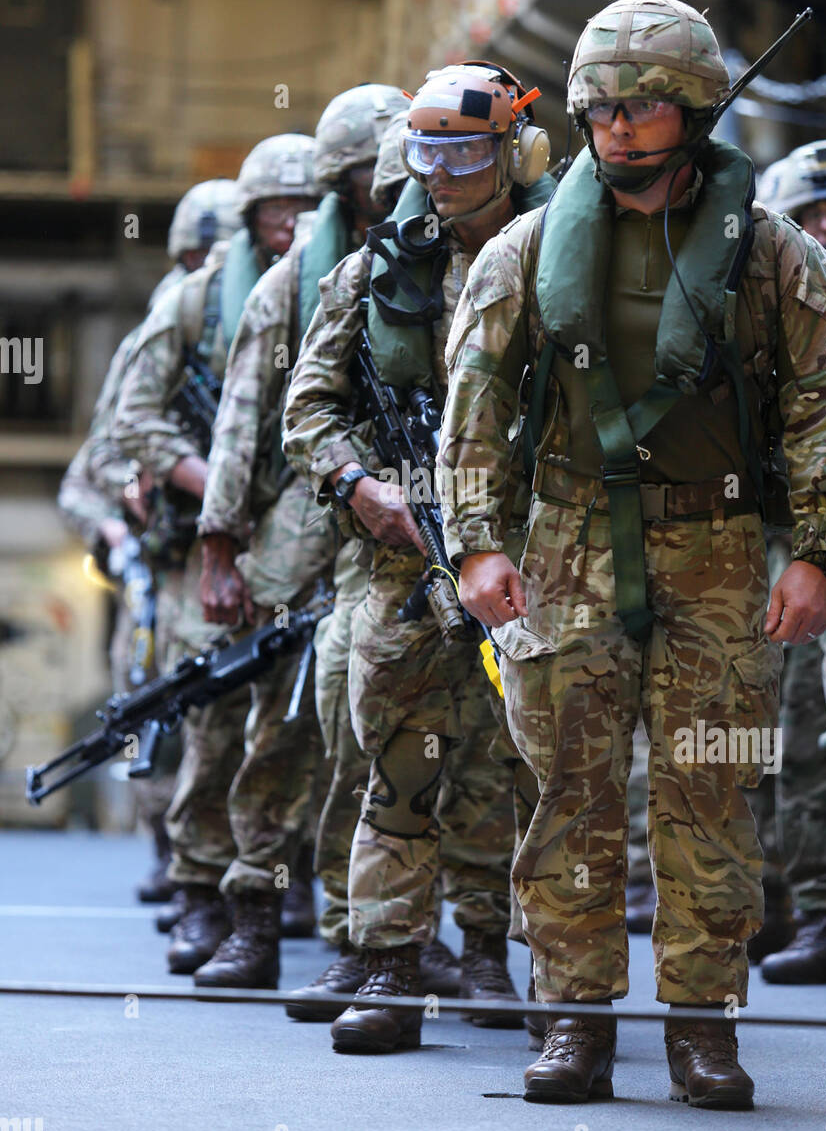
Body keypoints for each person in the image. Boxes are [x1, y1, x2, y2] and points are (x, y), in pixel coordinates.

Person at [436, 0, 826, 1107]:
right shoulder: (525, 252)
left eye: (644, 108)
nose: (618, 128)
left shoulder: (776, 260)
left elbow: (821, 412)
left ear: (696, 113)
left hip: (720, 553)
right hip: (567, 543)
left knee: (709, 793)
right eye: (601, 107)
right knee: (568, 793)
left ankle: (702, 1028)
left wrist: (814, 551)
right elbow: (472, 410)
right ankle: (570, 1019)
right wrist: (476, 545)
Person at [284, 61, 556, 1053]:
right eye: (423, 153)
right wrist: (360, 484)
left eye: (463, 152)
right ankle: (391, 963)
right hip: (404, 560)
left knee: (521, 763)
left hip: (534, 550)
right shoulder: (367, 273)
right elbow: (307, 410)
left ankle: (492, 950)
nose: (438, 174)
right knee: (400, 764)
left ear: (515, 154)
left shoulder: (564, 259)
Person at [193, 85, 408, 987]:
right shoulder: (290, 283)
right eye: (375, 172)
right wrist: (220, 546)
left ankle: (380, 926)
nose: (397, 184)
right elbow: (243, 419)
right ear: (345, 182)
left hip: (396, 529)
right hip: (295, 532)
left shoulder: (428, 266)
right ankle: (250, 913)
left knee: (379, 733)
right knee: (279, 732)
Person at [113, 135, 321, 979]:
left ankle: (301, 889)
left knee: (314, 720)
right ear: (252, 214)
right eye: (280, 207)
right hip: (224, 531)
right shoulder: (197, 303)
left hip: (319, 529)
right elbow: (133, 418)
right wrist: (217, 498)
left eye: (311, 205)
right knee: (216, 711)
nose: (294, 222)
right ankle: (200, 889)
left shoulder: (339, 279)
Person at [58, 179, 240, 905]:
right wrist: (116, 519)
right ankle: (174, 852)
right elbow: (90, 469)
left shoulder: (282, 313)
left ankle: (261, 871)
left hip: (252, 550)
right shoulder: (162, 332)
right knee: (153, 700)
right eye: (200, 254)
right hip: (166, 562)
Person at [757, 140, 826, 1009]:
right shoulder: (768, 304)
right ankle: (819, 913)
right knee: (797, 736)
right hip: (794, 550)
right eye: (817, 214)